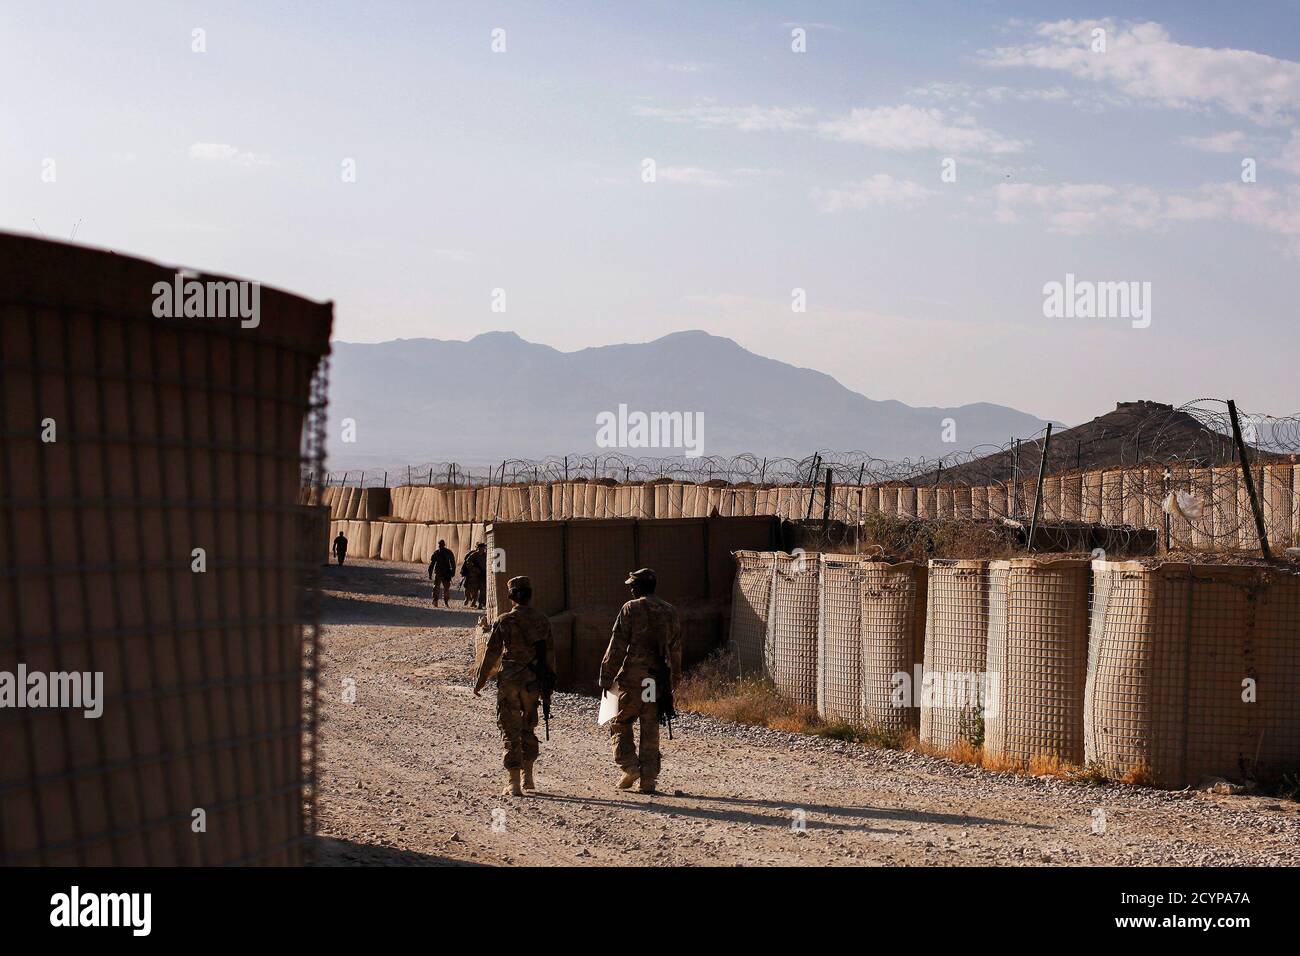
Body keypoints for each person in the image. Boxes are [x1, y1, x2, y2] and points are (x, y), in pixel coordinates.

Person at [599, 568, 681, 794]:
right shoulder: (670, 611)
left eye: (632, 586)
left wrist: (606, 676)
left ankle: (630, 766)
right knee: (650, 727)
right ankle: (649, 780)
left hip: (633, 679)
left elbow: (617, 645)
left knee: (620, 723)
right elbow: (675, 648)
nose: (630, 589)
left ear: (639, 587)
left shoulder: (630, 609)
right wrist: (675, 678)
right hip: (657, 680)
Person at [473, 576, 555, 796]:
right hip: (532, 682)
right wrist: (548, 687)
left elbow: (492, 653)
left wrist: (480, 682)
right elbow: (550, 657)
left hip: (509, 682)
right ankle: (528, 778)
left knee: (510, 729)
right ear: (530, 595)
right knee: (528, 727)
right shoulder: (542, 620)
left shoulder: (504, 620)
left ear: (511, 596)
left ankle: (514, 782)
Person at [428, 539, 456, 607]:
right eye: (440, 545)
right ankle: (437, 601)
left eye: (441, 545)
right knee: (438, 587)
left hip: (445, 573)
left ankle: (444, 602)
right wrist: (430, 573)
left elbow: (452, 563)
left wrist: (452, 572)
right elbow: (432, 564)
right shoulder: (438, 553)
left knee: (444, 588)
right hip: (440, 573)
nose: (441, 546)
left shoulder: (446, 552)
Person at [461, 542, 488, 609]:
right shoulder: (474, 555)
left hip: (483, 574)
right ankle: (472, 601)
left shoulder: (486, 555)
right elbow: (468, 562)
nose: (481, 550)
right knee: (474, 589)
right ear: (478, 548)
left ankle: (480, 604)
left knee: (483, 590)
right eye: (480, 548)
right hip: (474, 575)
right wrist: (474, 569)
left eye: (482, 548)